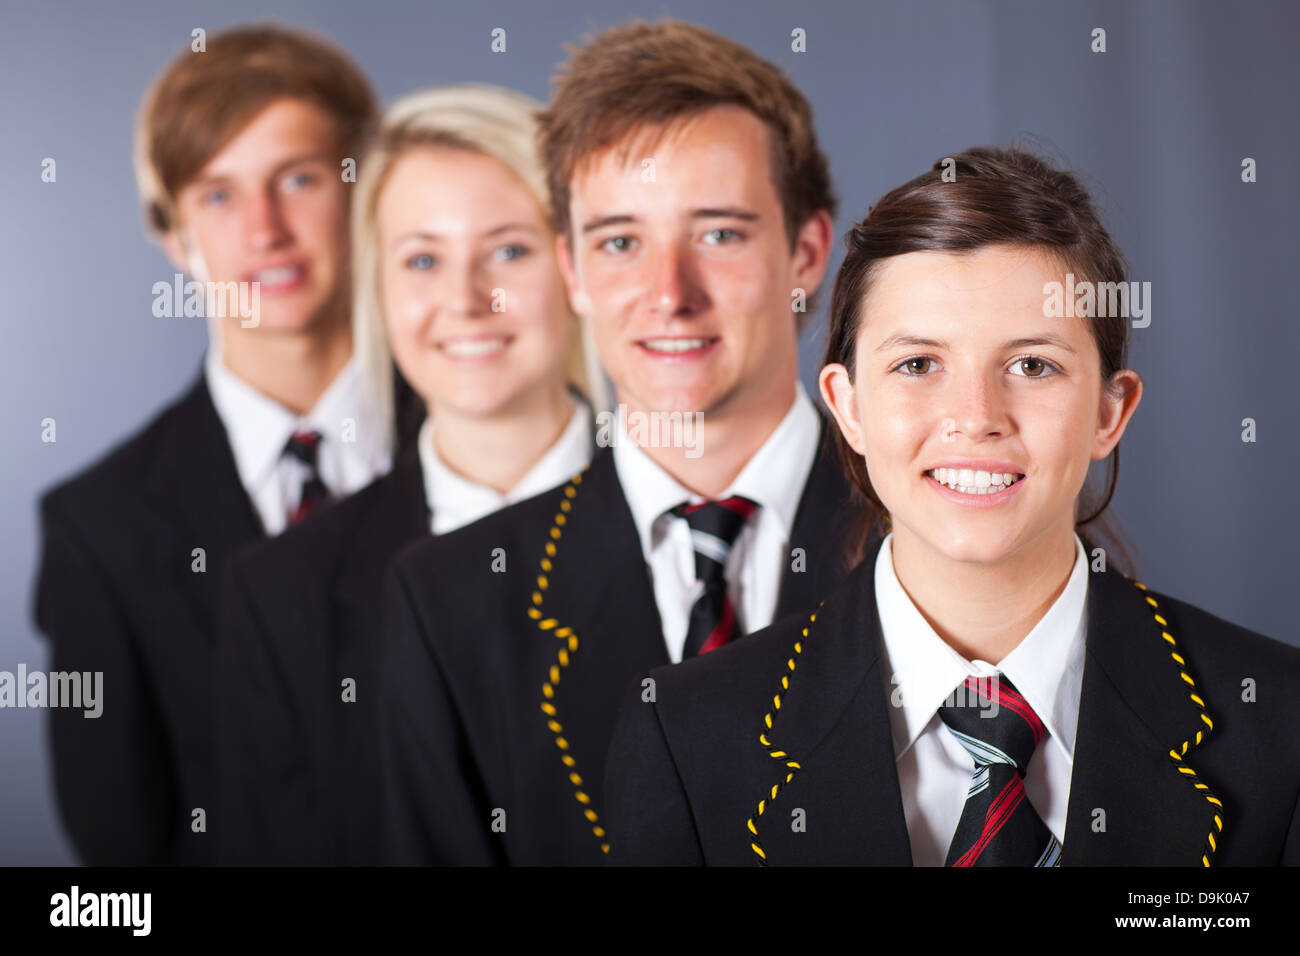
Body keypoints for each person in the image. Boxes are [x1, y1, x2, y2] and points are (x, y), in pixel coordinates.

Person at [604, 145, 1300, 866]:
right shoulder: (686, 734)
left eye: (1033, 365)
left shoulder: (1280, 724)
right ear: (847, 407)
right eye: (918, 364)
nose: (975, 417)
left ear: (1109, 411)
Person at [379, 18, 868, 865]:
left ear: (807, 251)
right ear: (571, 269)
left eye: (719, 233)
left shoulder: (943, 547)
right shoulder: (449, 603)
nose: (668, 293)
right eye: (620, 242)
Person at [32, 24, 417, 866]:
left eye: (300, 178)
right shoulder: (99, 528)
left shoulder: (499, 445)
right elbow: (120, 854)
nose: (266, 229)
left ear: (368, 192)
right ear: (173, 237)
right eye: (218, 196)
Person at [214, 84, 604, 865]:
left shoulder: (705, 536)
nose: (464, 300)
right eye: (422, 259)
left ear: (577, 267)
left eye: (509, 250)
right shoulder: (280, 595)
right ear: (379, 292)